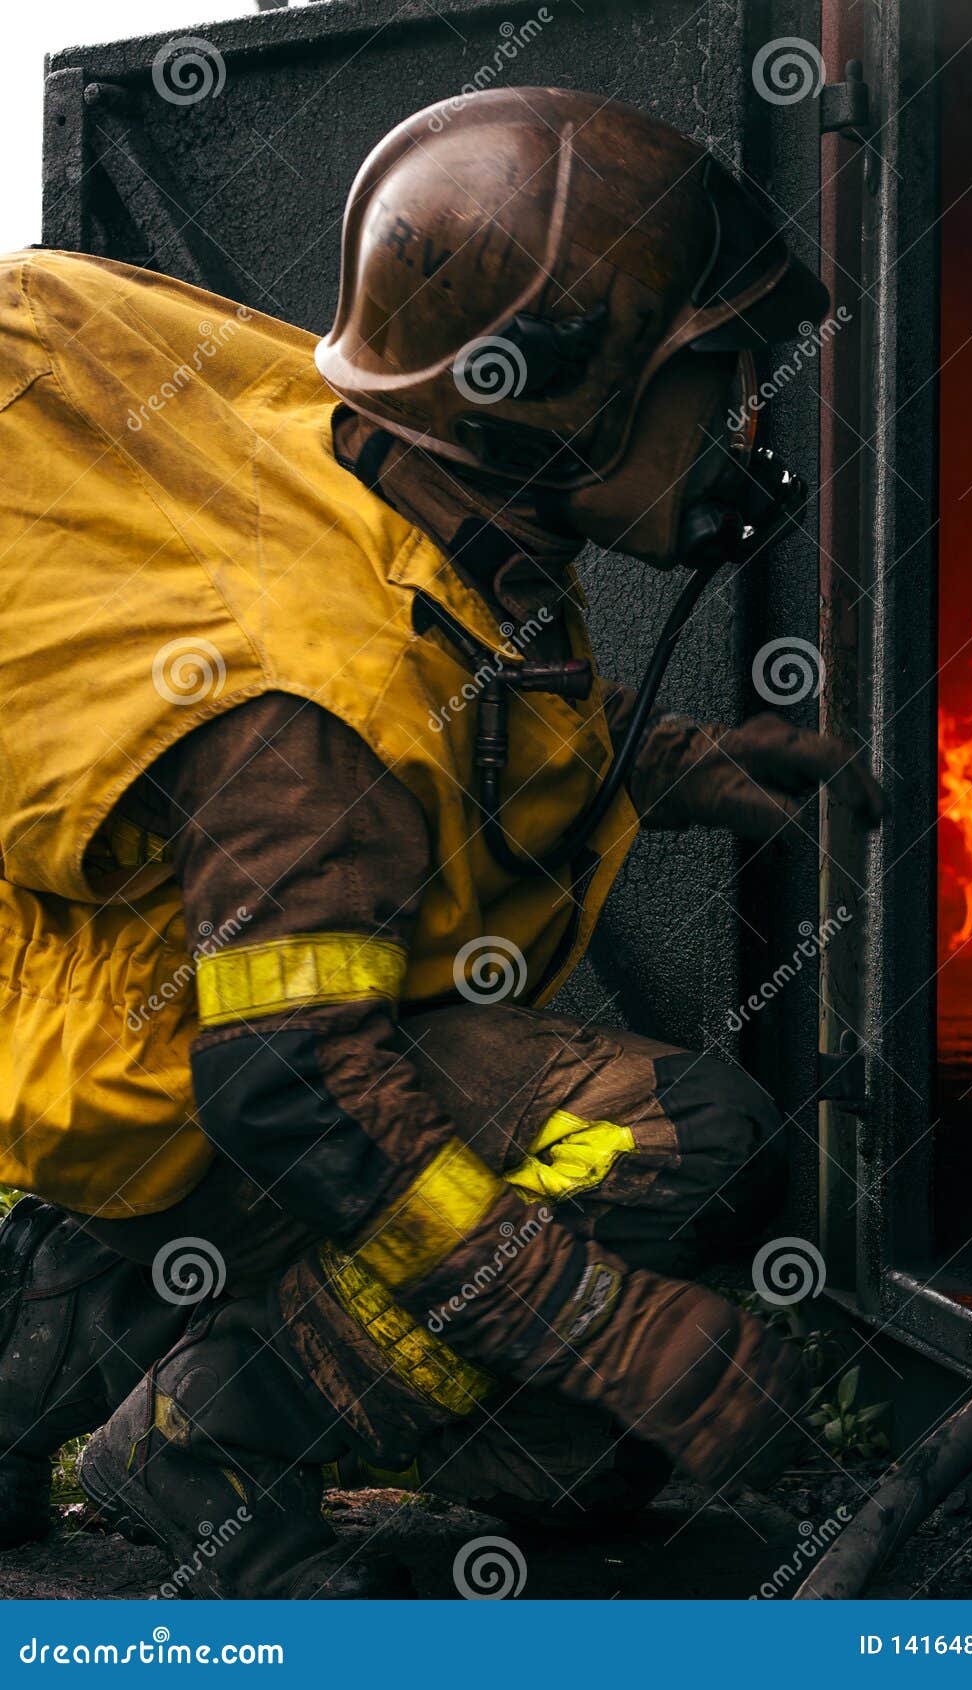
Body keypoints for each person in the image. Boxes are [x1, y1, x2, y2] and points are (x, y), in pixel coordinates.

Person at [0, 88, 881, 1597]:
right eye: (711, 384)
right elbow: (295, 1096)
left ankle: (82, 1336)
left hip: (191, 1045)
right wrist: (608, 1328)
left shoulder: (419, 494)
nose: (744, 426)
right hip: (220, 1082)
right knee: (687, 1131)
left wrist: (675, 761)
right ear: (562, 391)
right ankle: (206, 1434)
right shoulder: (306, 723)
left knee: (571, 1454)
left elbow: (452, 703)